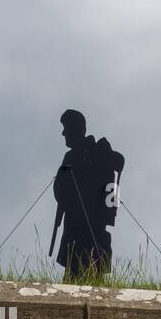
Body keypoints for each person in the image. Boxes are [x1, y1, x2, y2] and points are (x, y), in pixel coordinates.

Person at [50, 109, 124, 282]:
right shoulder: (69, 157)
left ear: (76, 129)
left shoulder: (98, 149)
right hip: (73, 224)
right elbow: (60, 188)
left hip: (93, 222)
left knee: (93, 269)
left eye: (66, 128)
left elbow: (118, 162)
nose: (63, 133)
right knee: (72, 272)